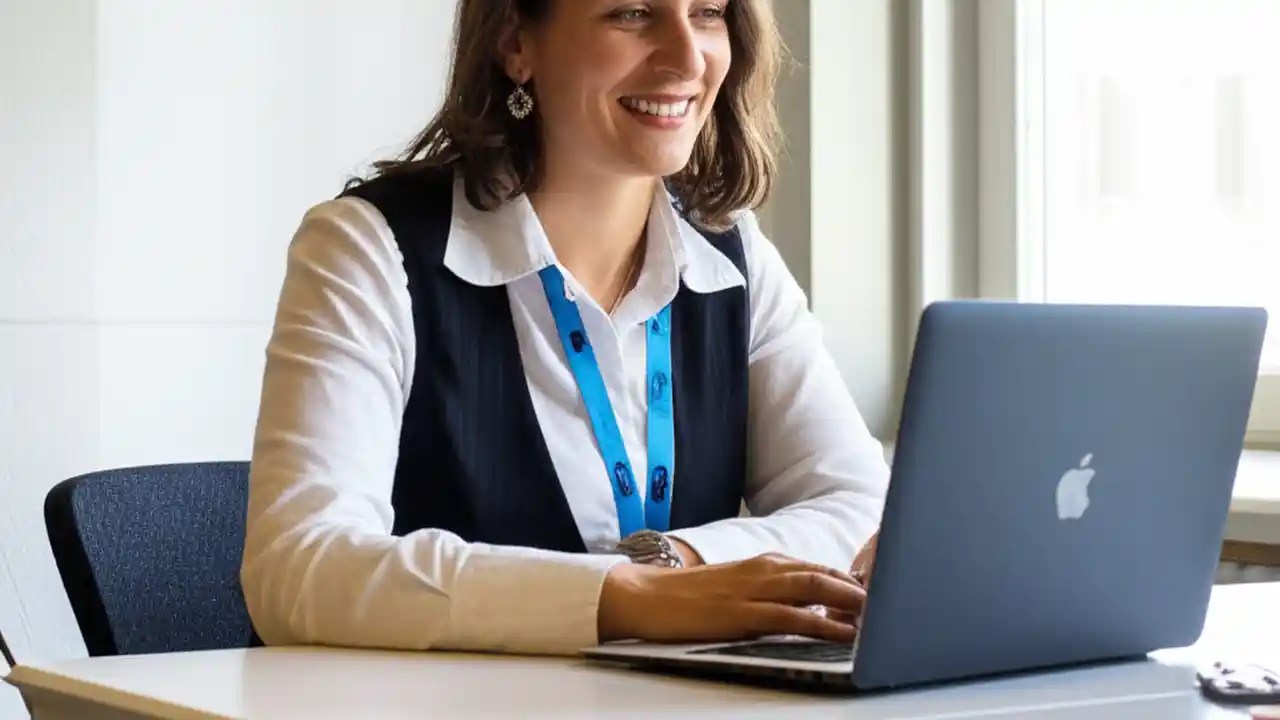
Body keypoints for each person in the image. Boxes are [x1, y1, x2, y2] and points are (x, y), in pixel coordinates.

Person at [240, 0, 889, 656]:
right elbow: (299, 565)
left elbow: (863, 508)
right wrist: (627, 598)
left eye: (708, 13)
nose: (688, 59)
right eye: (633, 13)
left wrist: (677, 563)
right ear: (515, 42)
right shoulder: (369, 249)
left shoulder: (734, 254)